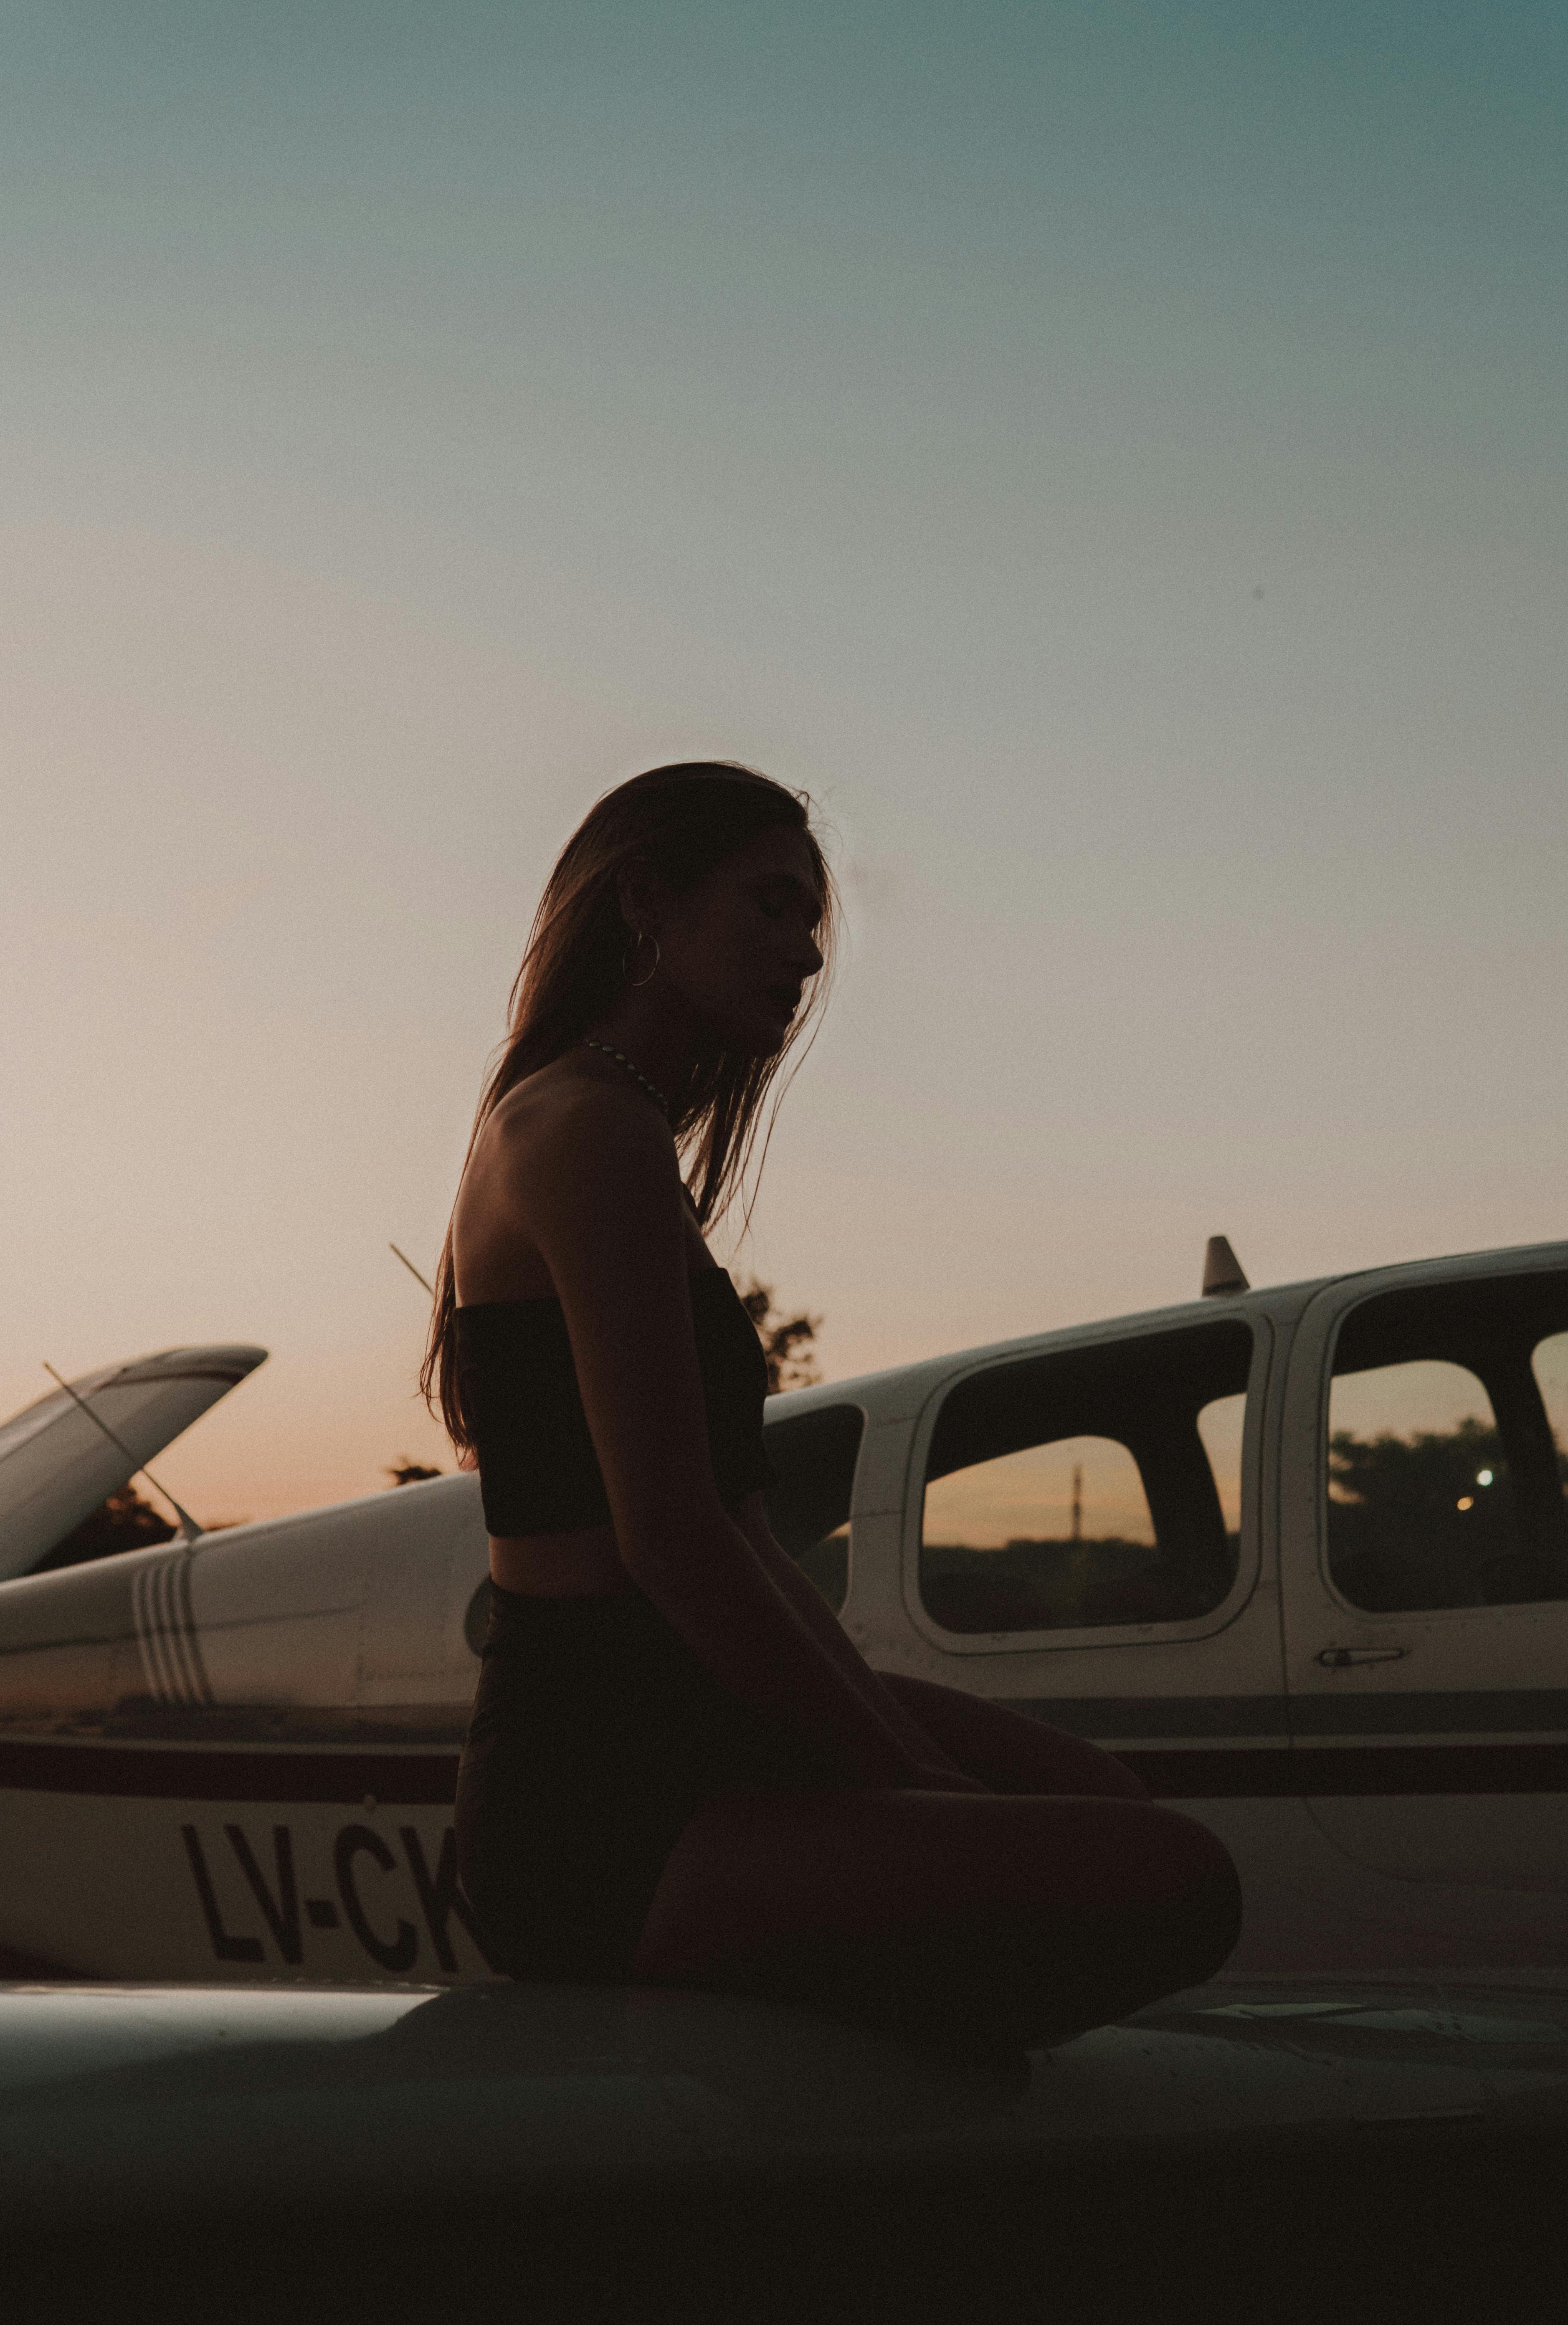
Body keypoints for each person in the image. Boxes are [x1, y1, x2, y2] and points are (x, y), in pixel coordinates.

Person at [424, 761, 1239, 2059]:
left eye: (812, 924)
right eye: (770, 906)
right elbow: (673, 1539)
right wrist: (909, 1779)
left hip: (696, 1728)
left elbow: (744, 1533)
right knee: (1164, 1879)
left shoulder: (621, 1133)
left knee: (1102, 1802)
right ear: (647, 898)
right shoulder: (580, 1129)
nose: (803, 958)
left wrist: (896, 1743)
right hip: (600, 1788)